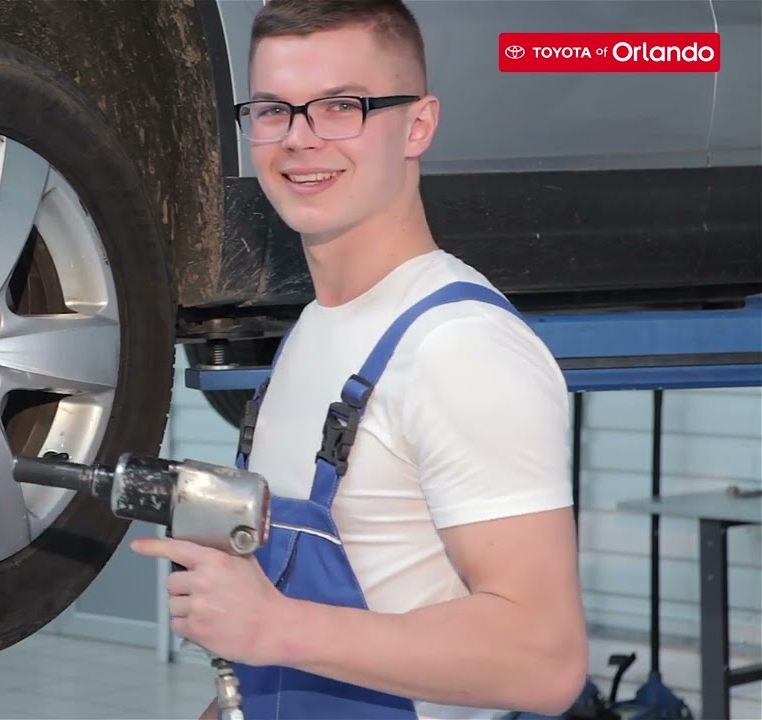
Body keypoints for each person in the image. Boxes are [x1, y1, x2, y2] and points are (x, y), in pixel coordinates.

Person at [130, 1, 590, 718]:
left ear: (419, 125)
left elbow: (545, 660)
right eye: (274, 111)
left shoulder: (459, 347)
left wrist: (276, 628)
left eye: (342, 106)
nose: (300, 141)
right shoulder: (315, 330)